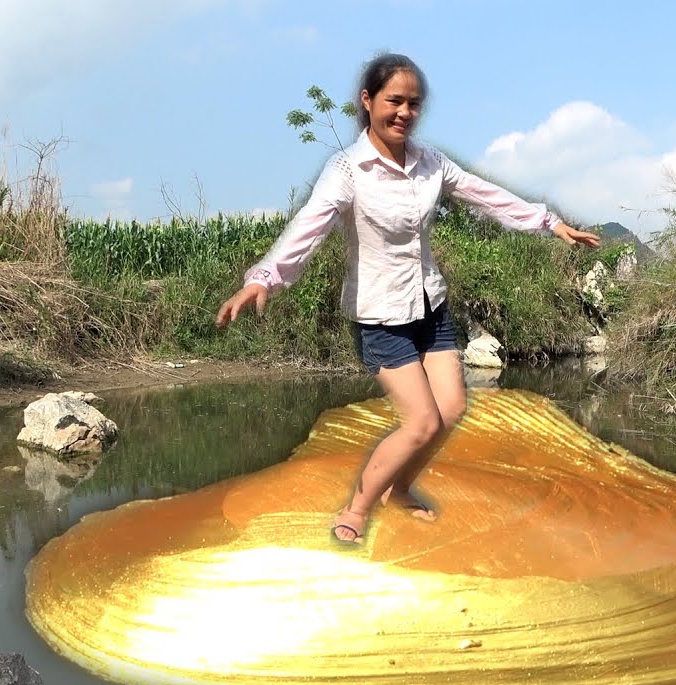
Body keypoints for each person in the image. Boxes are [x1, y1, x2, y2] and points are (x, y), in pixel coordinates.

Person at [216, 53, 599, 544]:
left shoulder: (430, 163)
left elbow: (487, 195)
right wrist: (264, 278)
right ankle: (357, 507)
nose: (404, 112)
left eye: (413, 104)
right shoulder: (349, 170)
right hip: (380, 316)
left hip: (429, 306)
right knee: (421, 421)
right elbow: (309, 227)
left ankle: (400, 488)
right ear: (368, 101)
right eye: (394, 100)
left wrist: (548, 222)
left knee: (453, 409)